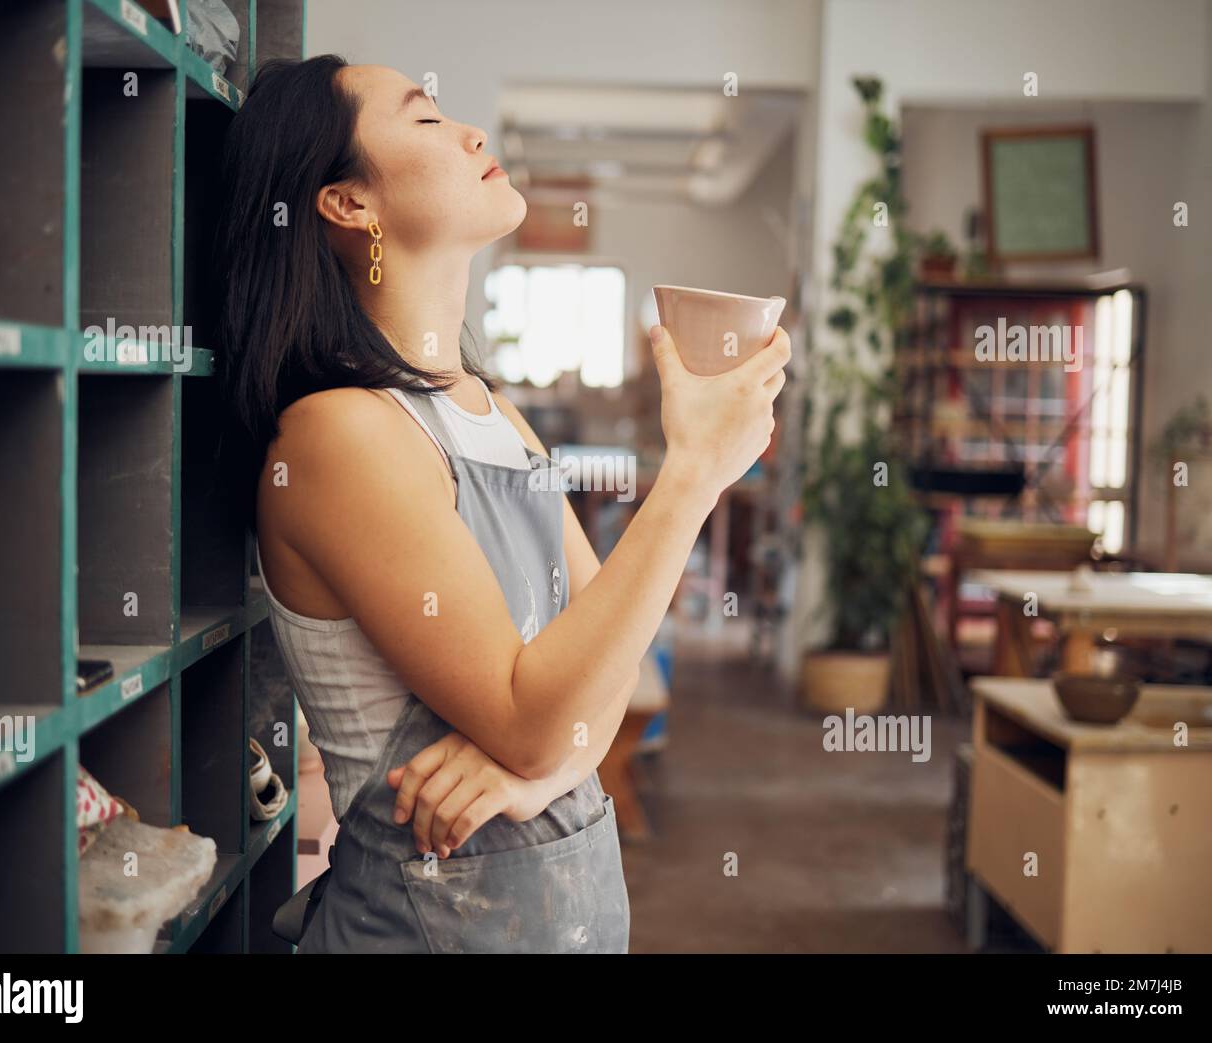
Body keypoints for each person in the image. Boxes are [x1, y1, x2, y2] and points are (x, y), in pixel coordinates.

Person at [212, 55, 789, 953]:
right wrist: (694, 475)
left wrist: (530, 778)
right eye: (427, 120)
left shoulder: (491, 411)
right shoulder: (338, 435)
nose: (473, 133)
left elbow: (610, 676)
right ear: (348, 202)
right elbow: (534, 719)